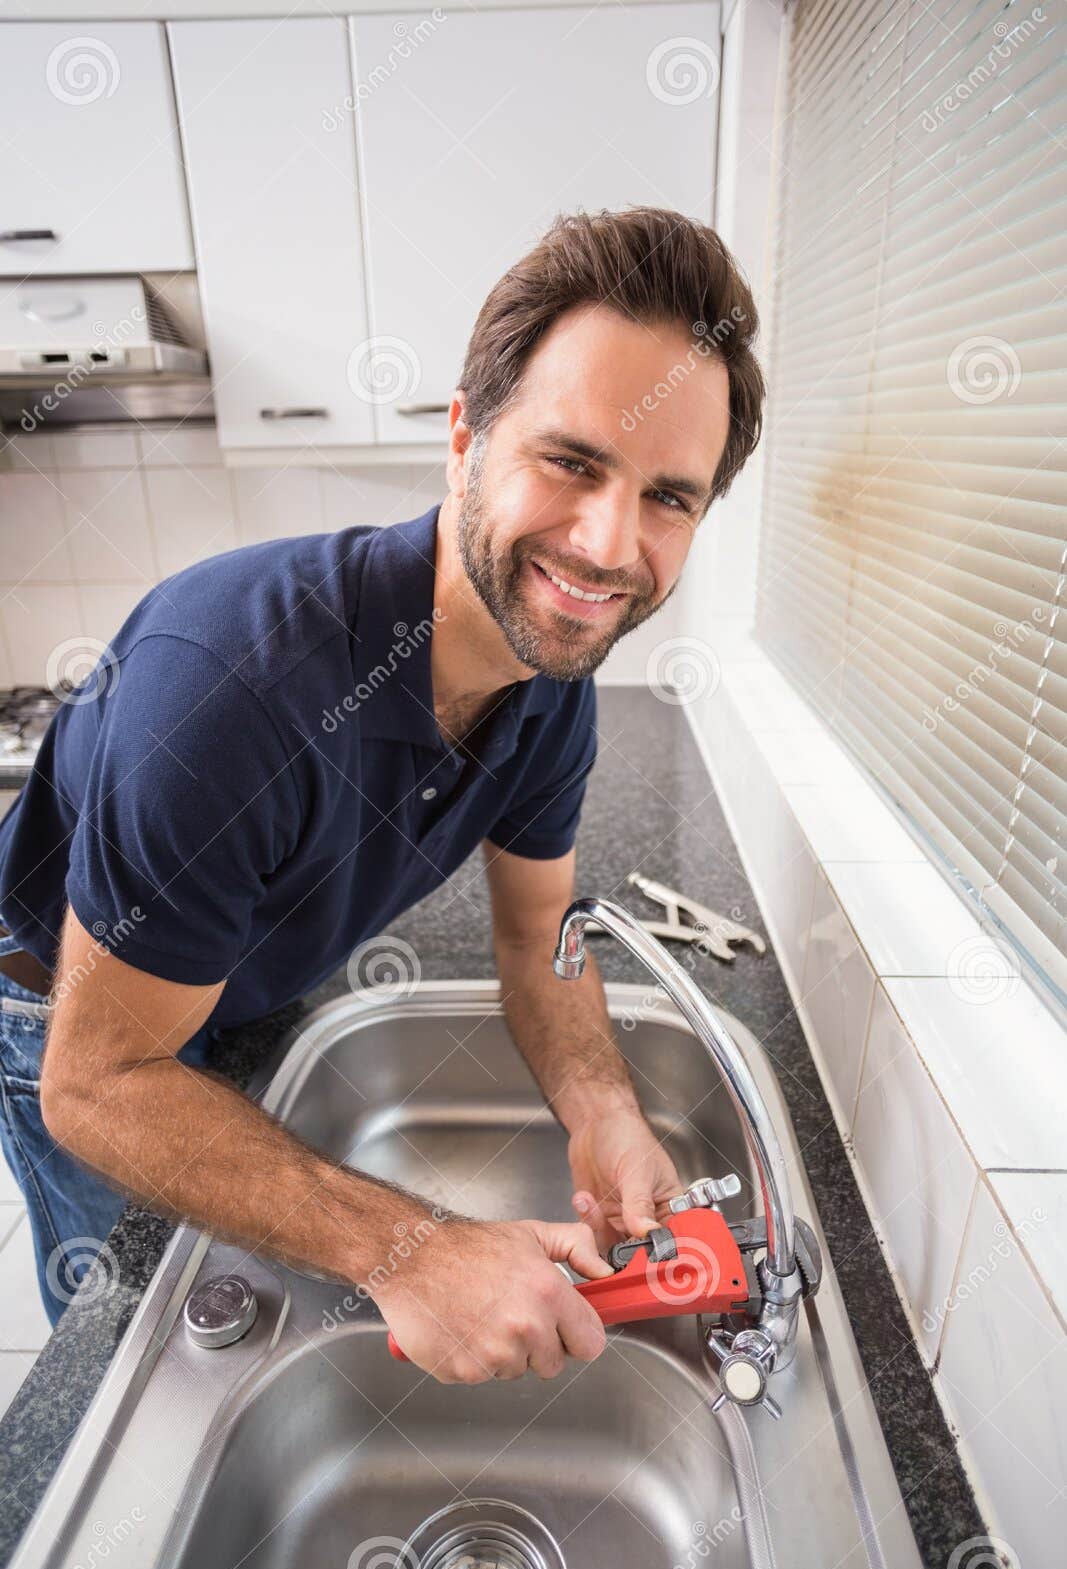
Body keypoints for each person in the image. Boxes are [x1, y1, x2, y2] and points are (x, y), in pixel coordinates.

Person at [0, 205, 764, 1380]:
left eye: (669, 496)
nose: (611, 544)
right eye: (571, 461)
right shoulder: (230, 692)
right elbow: (97, 1085)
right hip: (69, 1011)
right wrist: (410, 1246)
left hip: (229, 976)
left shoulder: (547, 676)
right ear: (463, 435)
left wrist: (602, 1107)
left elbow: (538, 941)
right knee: (138, 1369)